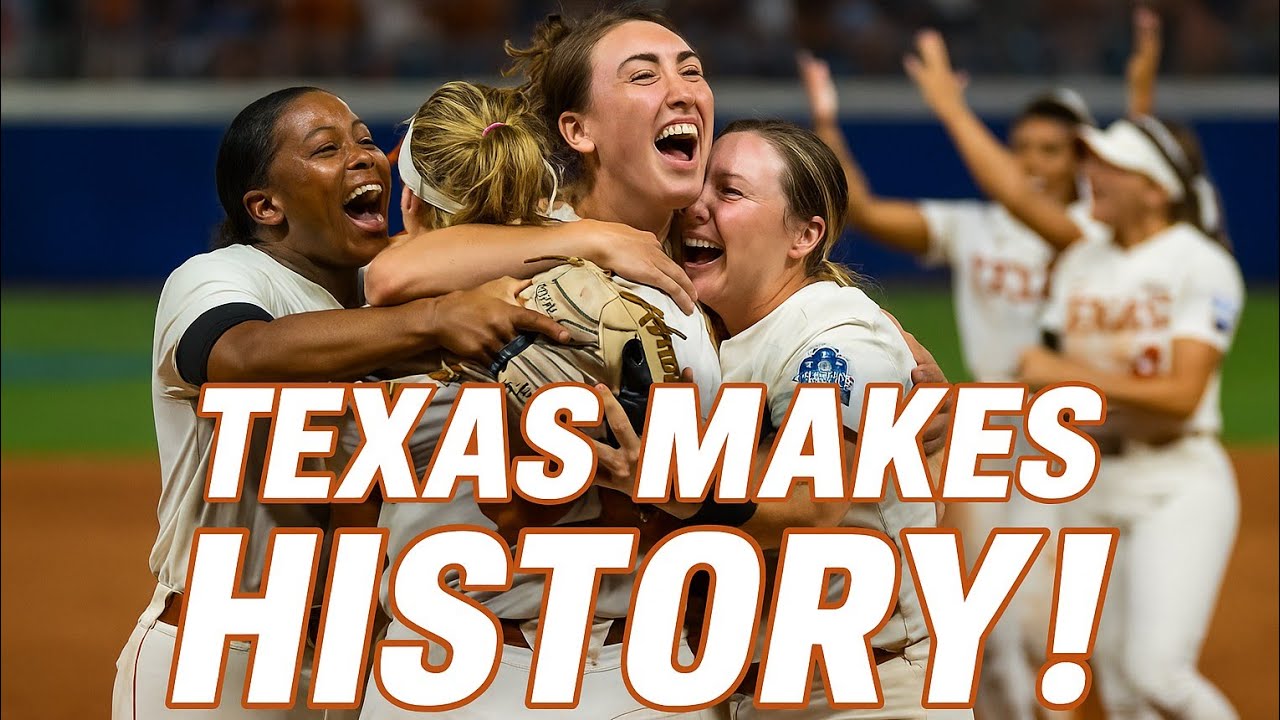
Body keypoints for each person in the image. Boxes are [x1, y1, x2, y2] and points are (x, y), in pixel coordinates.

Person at [111, 86, 568, 720]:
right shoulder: (225, 276)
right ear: (266, 206)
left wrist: (599, 239)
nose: (361, 156)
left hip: (356, 665)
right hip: (221, 661)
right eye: (326, 149)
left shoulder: (395, 294)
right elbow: (239, 354)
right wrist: (435, 319)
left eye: (363, 139)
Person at [798, 15, 1161, 718]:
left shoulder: (1093, 236)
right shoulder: (976, 226)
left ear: (1083, 160)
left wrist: (950, 107)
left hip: (1065, 437)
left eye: (1051, 149)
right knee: (987, 623)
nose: (1032, 162)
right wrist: (827, 124)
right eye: (1022, 147)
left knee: (1046, 622)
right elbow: (862, 207)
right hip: (992, 435)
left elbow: (1059, 191)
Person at [357, 74, 723, 720]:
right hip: (629, 670)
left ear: (409, 200)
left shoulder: (377, 316)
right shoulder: (642, 287)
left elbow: (390, 271)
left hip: (441, 669)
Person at [676, 118, 963, 719]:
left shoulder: (835, 339)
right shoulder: (705, 331)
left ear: (804, 236)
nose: (696, 206)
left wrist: (648, 486)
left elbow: (809, 502)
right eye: (699, 185)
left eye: (729, 192)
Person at [1020, 114, 1242, 720]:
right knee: (1119, 686)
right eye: (1093, 161)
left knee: (1158, 675)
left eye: (1112, 165)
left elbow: (1183, 395)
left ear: (1155, 189)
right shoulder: (1079, 263)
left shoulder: (1198, 263)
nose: (1092, 173)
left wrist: (1068, 376)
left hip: (1174, 481)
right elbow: (1044, 375)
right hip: (1094, 484)